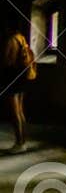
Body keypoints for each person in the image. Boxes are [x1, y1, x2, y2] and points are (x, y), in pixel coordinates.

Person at [3, 20, 35, 152]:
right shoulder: (22, 38)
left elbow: (7, 61)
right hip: (22, 77)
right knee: (20, 111)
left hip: (13, 77)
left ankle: (19, 143)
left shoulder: (11, 40)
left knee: (14, 112)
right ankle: (23, 141)